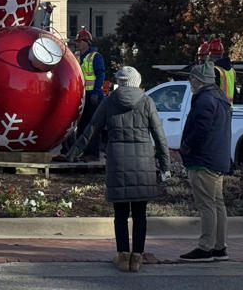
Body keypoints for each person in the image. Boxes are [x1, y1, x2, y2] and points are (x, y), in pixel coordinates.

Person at [67, 66, 170, 273]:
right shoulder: (147, 101)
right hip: (143, 163)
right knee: (140, 214)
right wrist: (165, 165)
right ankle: (137, 257)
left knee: (120, 213)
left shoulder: (109, 101)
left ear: (120, 82)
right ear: (137, 82)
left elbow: (91, 129)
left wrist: (72, 153)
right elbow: (159, 135)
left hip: (118, 162)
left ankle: (123, 256)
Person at [179, 61, 232, 262]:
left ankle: (206, 247)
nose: (190, 81)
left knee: (207, 205)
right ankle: (220, 246)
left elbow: (201, 128)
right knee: (218, 204)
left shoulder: (204, 100)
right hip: (217, 159)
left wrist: (187, 146)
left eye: (191, 78)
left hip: (203, 160)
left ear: (198, 80)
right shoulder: (220, 99)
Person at [74, 26, 106, 160]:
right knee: (82, 125)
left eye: (79, 41)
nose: (77, 43)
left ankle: (93, 154)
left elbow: (100, 75)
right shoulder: (79, 57)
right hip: (83, 96)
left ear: (87, 42)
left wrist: (96, 92)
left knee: (92, 126)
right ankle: (83, 152)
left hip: (93, 96)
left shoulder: (95, 57)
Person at [206, 36, 236, 104]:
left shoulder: (215, 70)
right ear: (222, 53)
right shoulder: (232, 71)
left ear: (210, 55)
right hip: (229, 107)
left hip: (218, 107)